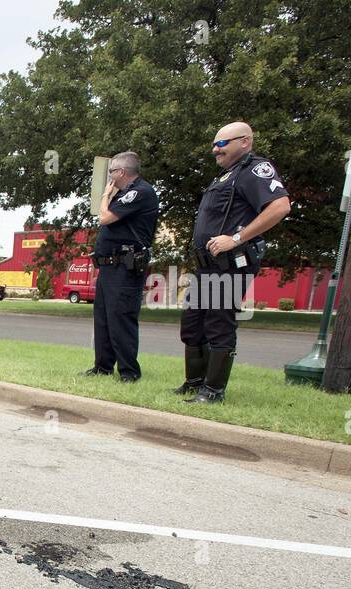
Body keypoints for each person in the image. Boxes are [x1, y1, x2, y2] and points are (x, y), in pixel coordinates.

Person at [181, 122, 291, 402]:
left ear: (245, 142)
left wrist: (237, 237)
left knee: (219, 324)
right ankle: (195, 382)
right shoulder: (225, 176)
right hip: (206, 264)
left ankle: (213, 391)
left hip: (230, 264)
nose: (215, 150)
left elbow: (280, 206)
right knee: (193, 323)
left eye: (222, 144)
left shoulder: (254, 170)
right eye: (214, 145)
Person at [83, 151, 160, 382]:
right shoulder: (125, 194)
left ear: (122, 172)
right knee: (104, 319)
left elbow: (104, 217)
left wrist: (105, 194)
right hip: (109, 267)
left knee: (121, 319)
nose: (109, 177)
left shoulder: (139, 192)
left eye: (112, 172)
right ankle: (102, 366)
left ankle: (129, 372)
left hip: (125, 268)